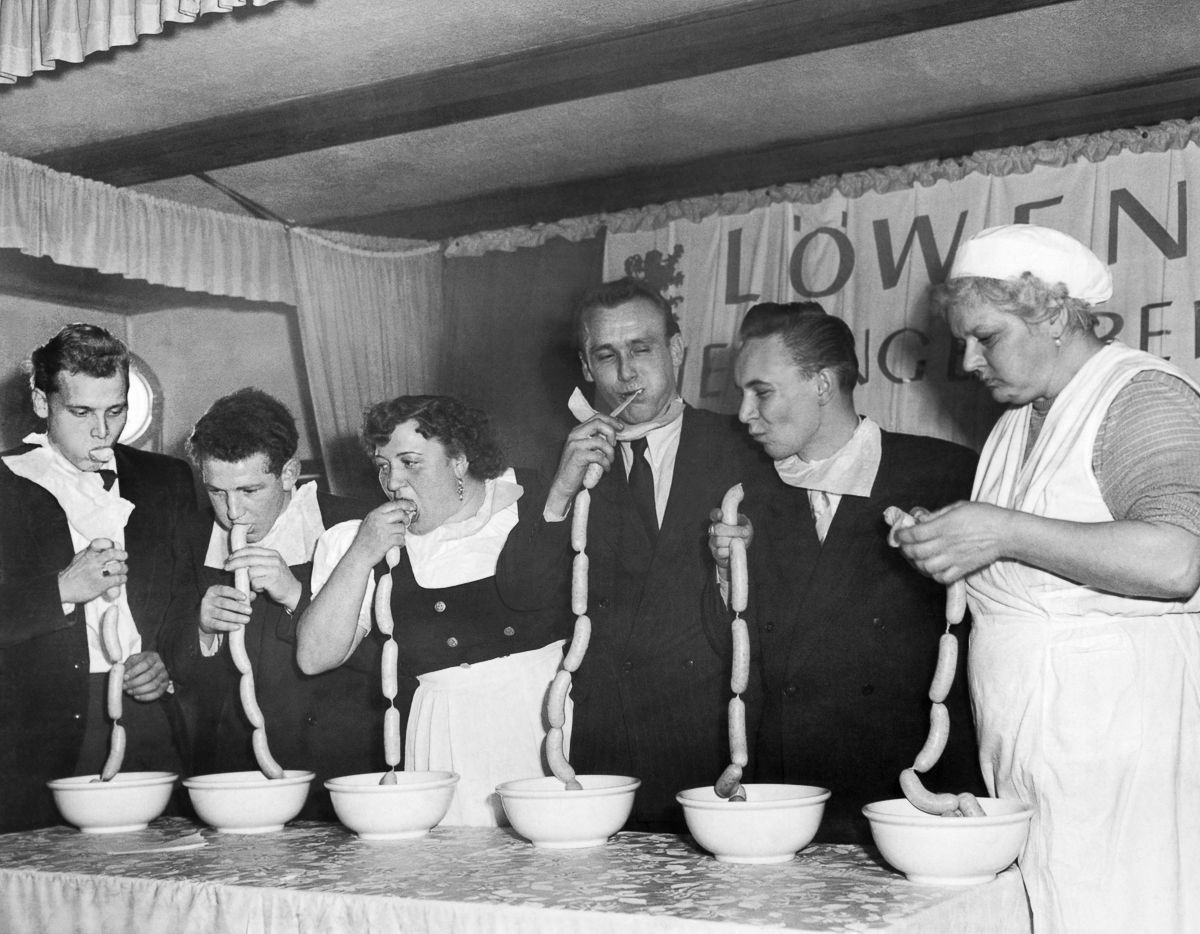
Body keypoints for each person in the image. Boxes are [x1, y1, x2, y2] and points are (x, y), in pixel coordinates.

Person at [893, 224, 1200, 934]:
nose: (968, 360)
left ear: (1056, 315)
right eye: (961, 340)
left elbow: (1179, 558)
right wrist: (948, 541)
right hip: (1035, 750)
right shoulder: (1018, 421)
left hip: (1128, 748)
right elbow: (1039, 563)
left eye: (986, 337)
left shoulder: (1141, 396)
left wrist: (1001, 530)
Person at [498, 277, 773, 832]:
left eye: (641, 350)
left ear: (675, 351)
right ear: (585, 367)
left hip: (718, 738)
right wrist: (559, 491)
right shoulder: (571, 459)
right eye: (607, 356)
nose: (626, 373)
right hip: (606, 752)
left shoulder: (747, 448)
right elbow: (521, 595)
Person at [706, 301, 986, 844]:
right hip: (790, 793)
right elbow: (723, 654)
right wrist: (723, 574)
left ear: (823, 384)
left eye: (761, 392)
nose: (743, 414)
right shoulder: (745, 495)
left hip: (911, 791)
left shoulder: (947, 474)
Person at [296, 395, 568, 826]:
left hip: (543, 716)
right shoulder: (364, 538)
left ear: (458, 460)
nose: (394, 481)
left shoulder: (530, 501)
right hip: (447, 730)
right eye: (384, 466)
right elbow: (314, 657)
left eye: (410, 462)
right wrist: (361, 554)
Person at [0, 323, 195, 832]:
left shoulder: (166, 480)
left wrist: (166, 661)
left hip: (151, 715)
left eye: (115, 411)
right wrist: (62, 590)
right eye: (81, 412)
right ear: (43, 404)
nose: (101, 432)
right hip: (39, 732)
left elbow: (183, 599)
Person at [159, 388, 376, 819]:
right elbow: (170, 660)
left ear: (290, 473)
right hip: (232, 766)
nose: (233, 511)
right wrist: (200, 627)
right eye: (217, 491)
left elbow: (387, 657)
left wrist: (294, 593)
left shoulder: (351, 526)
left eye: (250, 490)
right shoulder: (190, 534)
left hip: (336, 764)